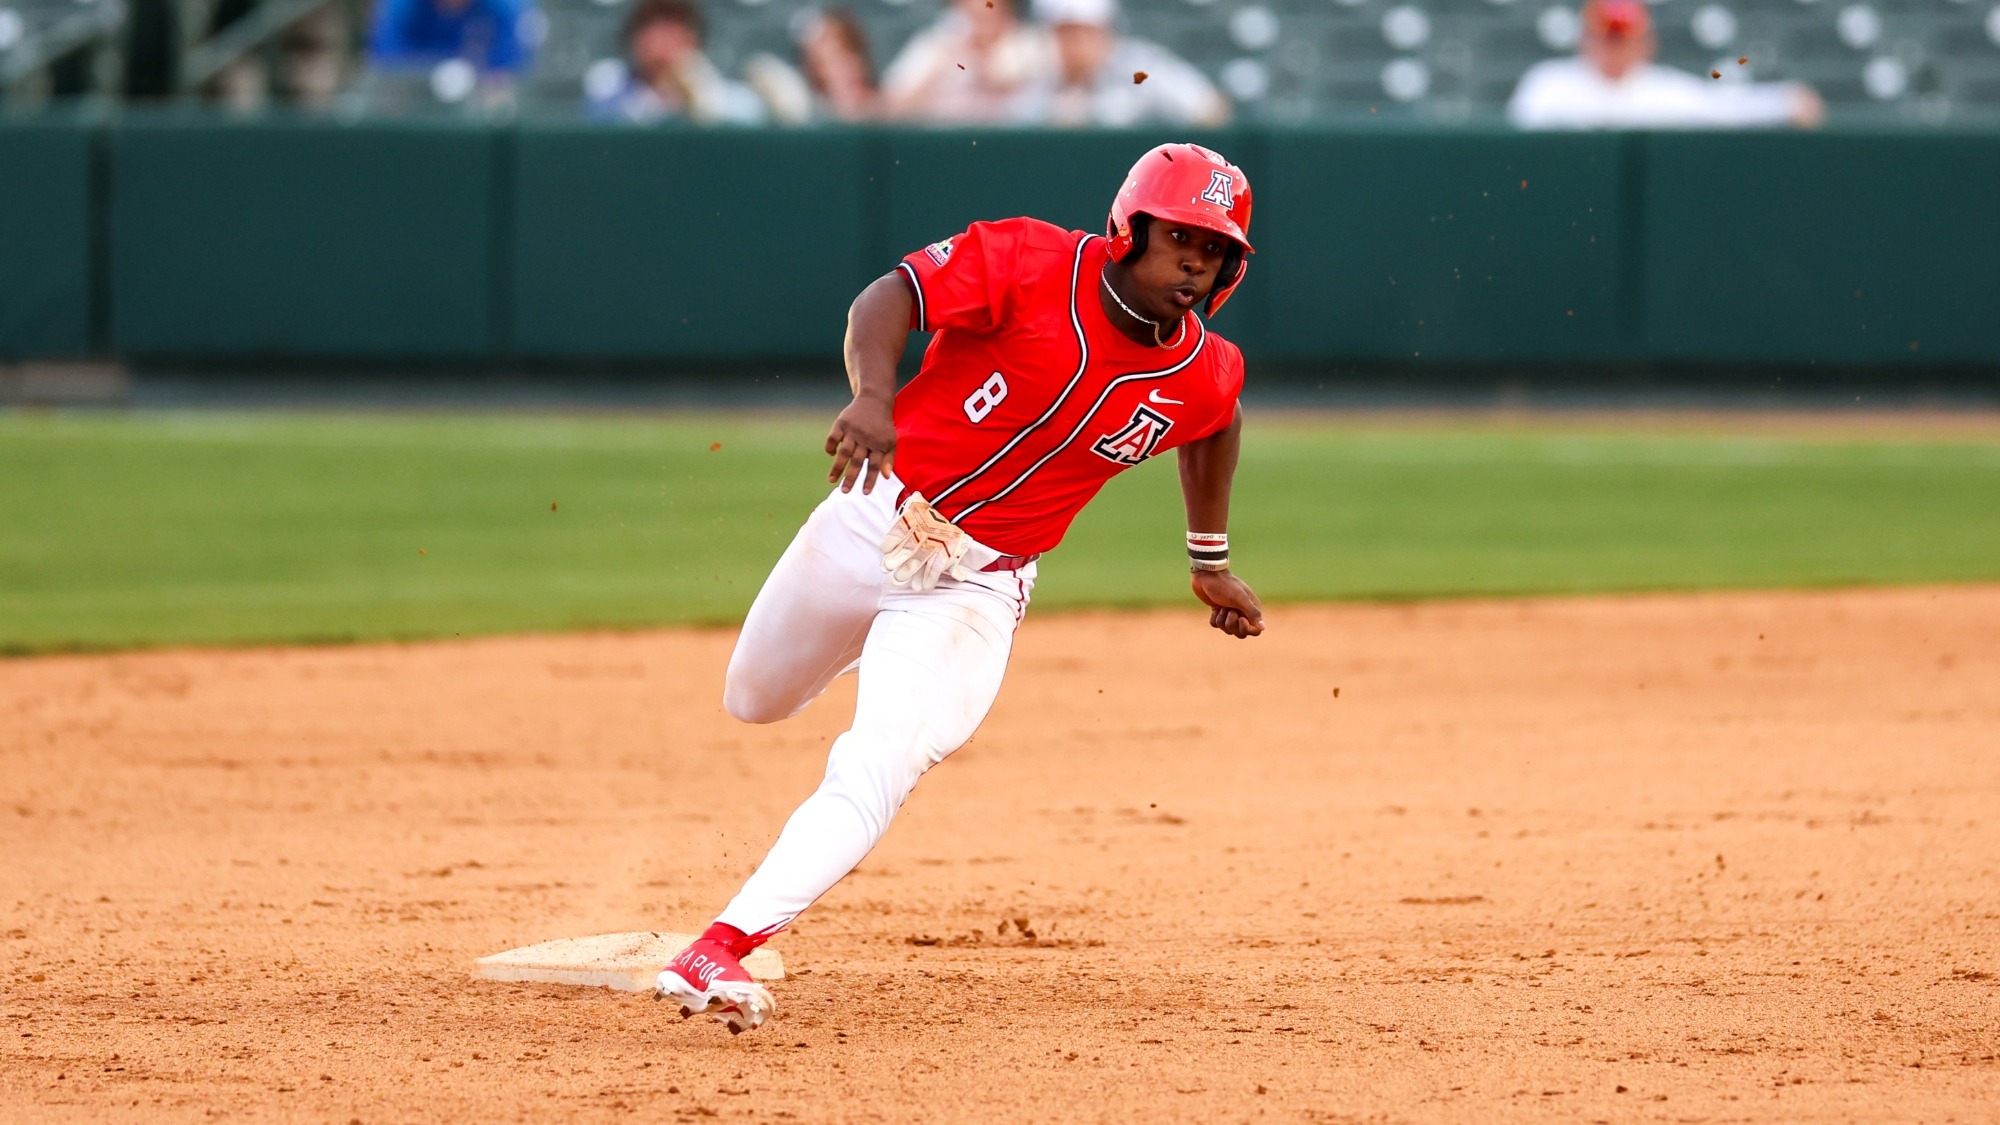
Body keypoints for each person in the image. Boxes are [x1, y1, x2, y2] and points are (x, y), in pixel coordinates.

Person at [654, 143, 1266, 1034]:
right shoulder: (1028, 259)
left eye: (1216, 250)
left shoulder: (1203, 369)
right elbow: (888, 296)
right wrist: (873, 396)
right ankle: (861, 647)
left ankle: (722, 942)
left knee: (883, 761)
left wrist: (1207, 557)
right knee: (753, 697)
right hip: (873, 514)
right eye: (1182, 237)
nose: (1197, 261)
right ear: (1130, 228)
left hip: (974, 588)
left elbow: (1220, 419)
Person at [1508, 0, 1823, 130]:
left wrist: (1784, 100)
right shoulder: (1548, 84)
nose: (1613, 47)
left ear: (1646, 43)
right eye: (1605, 37)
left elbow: (1724, 110)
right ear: (1584, 40)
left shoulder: (1663, 89)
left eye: (1622, 38)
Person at [1014, 0, 1229, 128]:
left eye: (1085, 32)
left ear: (1106, 30)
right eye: (1066, 33)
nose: (1076, 43)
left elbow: (1208, 108)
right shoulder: (1037, 71)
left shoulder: (1142, 68)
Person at [588, 0, 764, 125]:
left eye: (673, 25)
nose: (659, 37)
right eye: (649, 24)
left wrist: (699, 96)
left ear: (694, 37)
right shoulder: (608, 89)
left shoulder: (733, 97)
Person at [879, 0, 1051, 124]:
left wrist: (979, 57)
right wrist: (944, 60)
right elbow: (891, 107)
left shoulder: (1030, 45)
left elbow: (1028, 102)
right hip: (944, 148)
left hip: (1010, 150)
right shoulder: (936, 44)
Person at [744, 7, 880, 125]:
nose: (822, 73)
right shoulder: (803, 106)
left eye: (832, 58)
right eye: (815, 63)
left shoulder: (886, 106)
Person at [367, 0, 535, 78]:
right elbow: (386, 66)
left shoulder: (505, 7)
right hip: (414, 105)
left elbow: (510, 70)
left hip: (477, 113)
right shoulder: (400, 8)